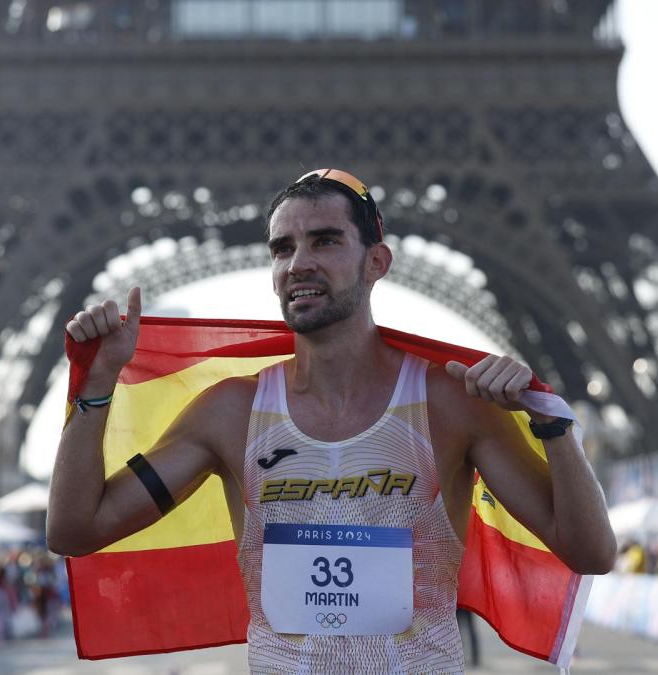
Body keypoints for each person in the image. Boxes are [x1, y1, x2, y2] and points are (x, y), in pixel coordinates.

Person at [47, 169, 616, 672]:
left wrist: (554, 428)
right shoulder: (230, 411)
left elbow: (590, 553)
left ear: (377, 261)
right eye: (281, 248)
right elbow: (75, 530)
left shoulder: (449, 402)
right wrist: (96, 389)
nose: (299, 264)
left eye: (325, 241)